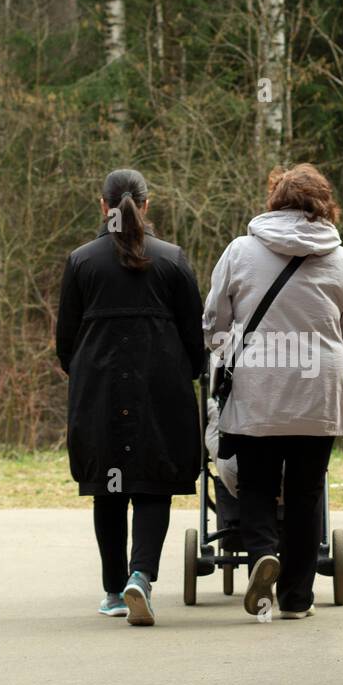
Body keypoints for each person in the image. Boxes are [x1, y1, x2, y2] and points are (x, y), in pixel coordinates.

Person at [203, 163, 343, 620]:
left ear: (274, 200)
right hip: (320, 389)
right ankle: (297, 599)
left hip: (260, 388)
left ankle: (261, 553)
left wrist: (231, 347)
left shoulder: (240, 251)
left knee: (256, 482)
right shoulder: (340, 257)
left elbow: (214, 321)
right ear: (324, 204)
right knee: (305, 490)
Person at [57, 169, 203, 625]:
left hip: (99, 390)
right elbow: (194, 339)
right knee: (153, 484)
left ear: (102, 205)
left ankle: (114, 591)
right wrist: (187, 375)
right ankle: (141, 576)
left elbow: (66, 343)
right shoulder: (173, 259)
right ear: (147, 203)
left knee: (110, 486)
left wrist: (84, 373)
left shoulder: (81, 262)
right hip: (161, 389)